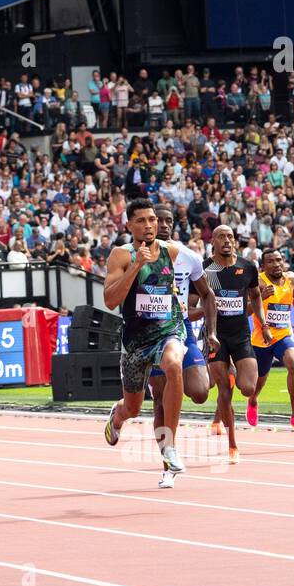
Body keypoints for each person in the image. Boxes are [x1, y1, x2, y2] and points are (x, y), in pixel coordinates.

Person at [102, 198, 188, 481]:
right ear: (130, 225)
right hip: (136, 341)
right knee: (133, 408)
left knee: (174, 365)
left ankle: (171, 446)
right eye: (142, 220)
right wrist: (137, 266)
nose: (150, 225)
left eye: (152, 219)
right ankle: (117, 416)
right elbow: (111, 300)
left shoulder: (172, 251)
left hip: (168, 329)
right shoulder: (121, 255)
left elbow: (189, 279)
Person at [146, 205, 217, 487]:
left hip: (181, 328)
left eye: (168, 221)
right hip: (151, 332)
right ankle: (168, 465)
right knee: (161, 405)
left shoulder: (188, 256)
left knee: (200, 392)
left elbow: (208, 295)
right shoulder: (138, 256)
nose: (163, 225)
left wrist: (210, 332)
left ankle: (215, 368)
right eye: (157, 220)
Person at [201, 225, 264, 464]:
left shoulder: (247, 267)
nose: (227, 240)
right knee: (224, 391)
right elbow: (194, 301)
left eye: (230, 237)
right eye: (221, 237)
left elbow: (256, 295)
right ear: (213, 242)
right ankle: (233, 445)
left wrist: (263, 323)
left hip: (240, 335)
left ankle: (235, 370)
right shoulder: (205, 269)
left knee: (247, 388)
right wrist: (207, 310)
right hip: (215, 337)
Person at [250, 248, 294, 435]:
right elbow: (249, 310)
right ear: (263, 266)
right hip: (262, 339)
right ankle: (253, 400)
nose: (276, 264)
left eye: (279, 260)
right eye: (271, 261)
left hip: (283, 335)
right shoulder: (258, 282)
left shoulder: (290, 278)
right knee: (259, 380)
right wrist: (260, 297)